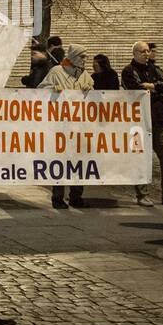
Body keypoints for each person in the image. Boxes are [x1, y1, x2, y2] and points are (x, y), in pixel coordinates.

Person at [122, 40, 163, 206]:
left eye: (147, 51)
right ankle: (142, 194)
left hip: (158, 120)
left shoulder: (154, 69)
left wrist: (152, 86)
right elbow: (135, 89)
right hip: (139, 121)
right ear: (135, 53)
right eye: (142, 51)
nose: (146, 54)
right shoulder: (128, 71)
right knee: (140, 159)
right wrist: (156, 88)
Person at [41, 44, 94, 209]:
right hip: (61, 126)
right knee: (61, 162)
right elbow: (39, 92)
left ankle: (76, 196)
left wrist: (89, 90)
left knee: (79, 162)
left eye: (86, 57)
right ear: (73, 57)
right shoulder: (56, 72)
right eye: (82, 56)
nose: (85, 60)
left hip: (80, 127)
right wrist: (53, 90)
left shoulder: (85, 75)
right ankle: (57, 198)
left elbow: (95, 96)